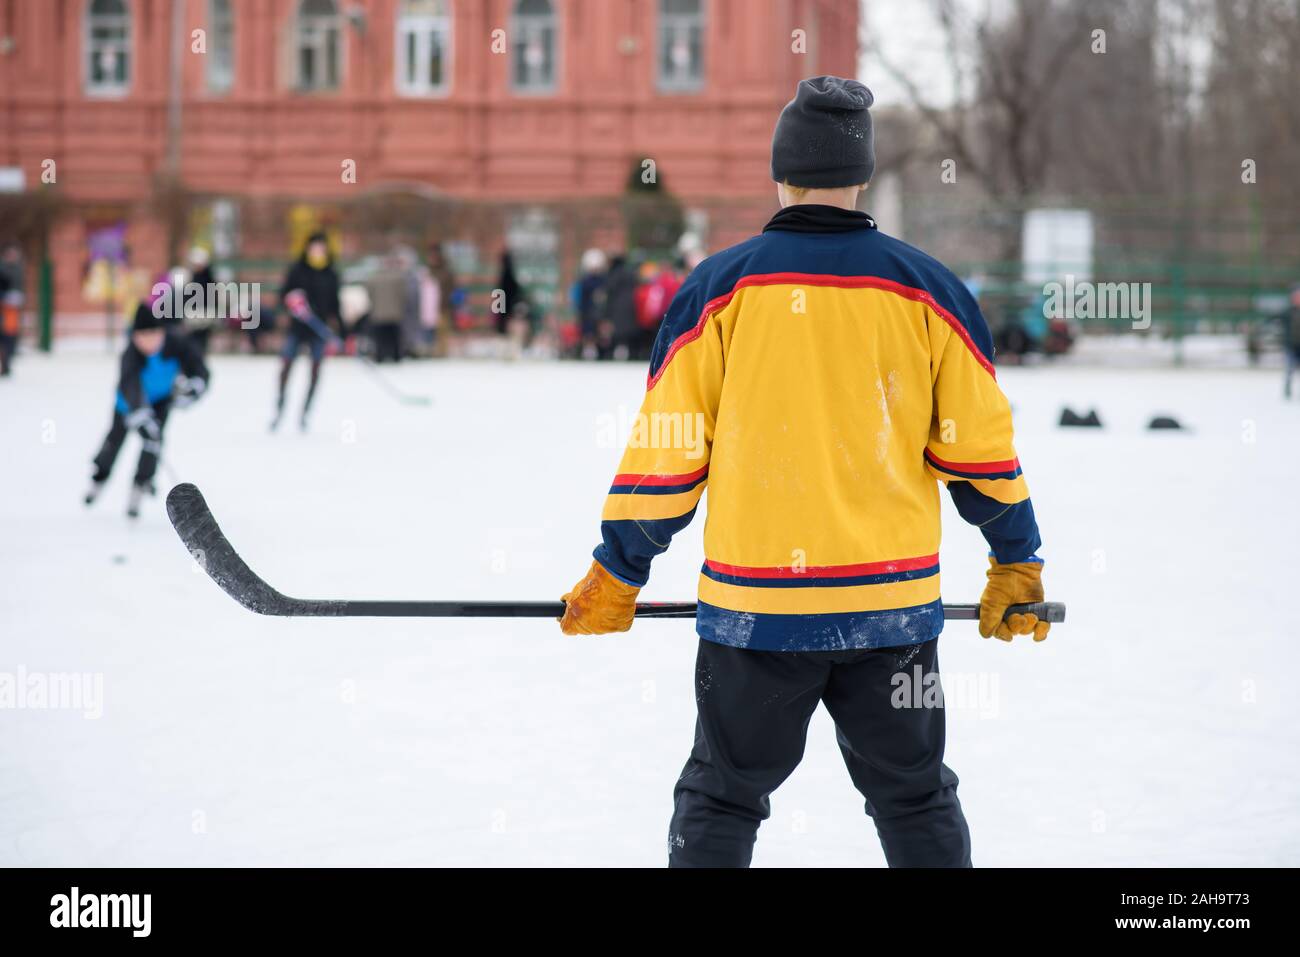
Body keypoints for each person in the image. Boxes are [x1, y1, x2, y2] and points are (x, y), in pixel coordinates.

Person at [557, 76, 1050, 868]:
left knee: (721, 797)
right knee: (917, 796)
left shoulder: (719, 290)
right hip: (891, 618)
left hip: (755, 618)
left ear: (779, 173)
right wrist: (1017, 558)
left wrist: (620, 569)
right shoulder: (930, 289)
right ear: (863, 176)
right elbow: (980, 449)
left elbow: (669, 450)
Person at [86, 302, 210, 518]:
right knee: (114, 442)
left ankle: (140, 486)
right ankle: (98, 479)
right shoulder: (131, 355)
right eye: (141, 338)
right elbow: (129, 384)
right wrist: (139, 413)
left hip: (161, 401)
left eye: (152, 336)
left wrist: (194, 388)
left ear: (161, 332)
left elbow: (198, 367)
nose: (147, 343)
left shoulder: (177, 343)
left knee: (153, 442)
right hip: (128, 405)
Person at [273, 232, 340, 432]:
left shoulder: (331, 274)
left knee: (316, 370)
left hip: (319, 331)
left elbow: (335, 305)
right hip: (297, 328)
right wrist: (292, 303)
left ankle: (305, 413)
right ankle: (280, 408)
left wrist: (344, 333)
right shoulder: (297, 270)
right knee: (286, 366)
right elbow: (284, 295)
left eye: (321, 247)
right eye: (315, 247)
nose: (318, 251)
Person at [364, 247, 412, 363]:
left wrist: (374, 305)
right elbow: (404, 295)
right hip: (395, 314)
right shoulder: (398, 277)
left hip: (378, 313)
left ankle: (380, 356)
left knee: (380, 338)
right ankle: (396, 356)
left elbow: (369, 293)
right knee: (394, 338)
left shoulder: (374, 278)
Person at [572, 248, 608, 360]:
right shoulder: (587, 282)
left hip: (594, 314)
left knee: (595, 334)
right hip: (589, 314)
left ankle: (592, 350)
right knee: (590, 334)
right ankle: (590, 350)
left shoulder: (600, 281)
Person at [0, 244, 22, 376]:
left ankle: (6, 364)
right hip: (6, 306)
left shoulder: (19, 269)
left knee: (9, 336)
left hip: (10, 308)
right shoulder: (3, 269)